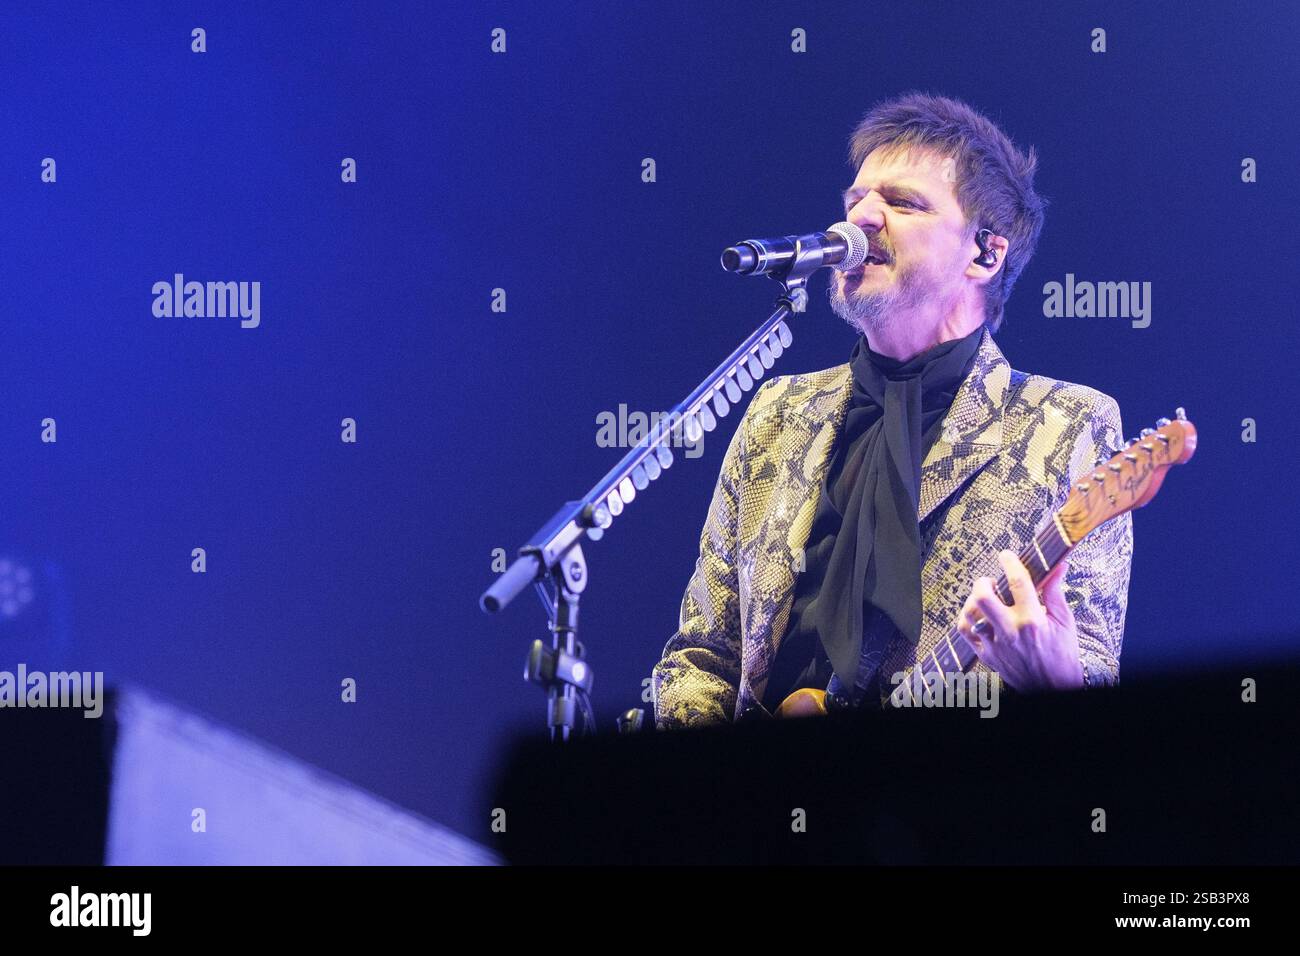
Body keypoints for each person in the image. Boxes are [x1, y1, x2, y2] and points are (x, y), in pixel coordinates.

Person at [652, 93, 1133, 729]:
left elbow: (1093, 669)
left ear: (985, 254)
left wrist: (1056, 679)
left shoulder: (1068, 424)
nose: (861, 220)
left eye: (902, 203)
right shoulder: (778, 411)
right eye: (855, 202)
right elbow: (700, 655)